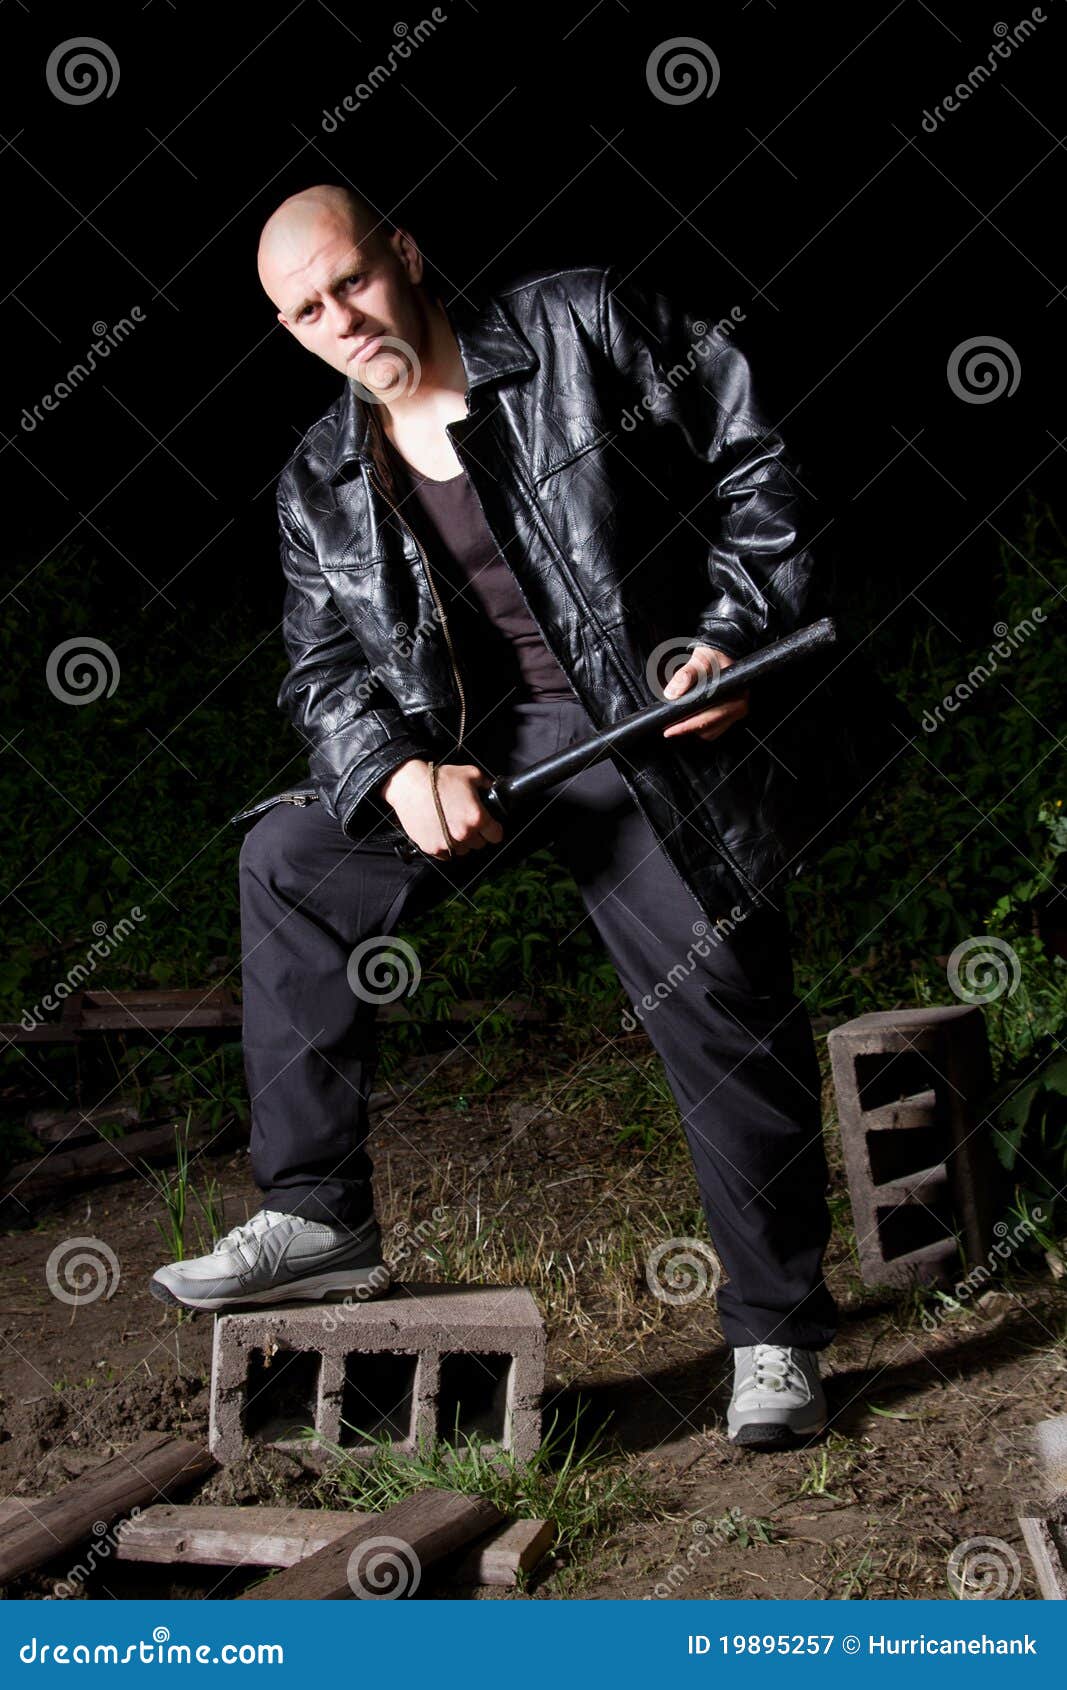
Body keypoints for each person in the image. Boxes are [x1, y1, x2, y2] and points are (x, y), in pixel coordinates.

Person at [150, 183, 839, 1447]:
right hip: (482, 750)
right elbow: (322, 673)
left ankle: (774, 1333)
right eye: (304, 312)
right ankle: (318, 1214)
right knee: (288, 855)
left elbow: (759, 453)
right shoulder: (317, 479)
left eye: (349, 281)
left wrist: (730, 637)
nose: (339, 319)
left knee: (714, 988)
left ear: (404, 250)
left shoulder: (578, 324)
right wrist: (394, 770)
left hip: (641, 715)